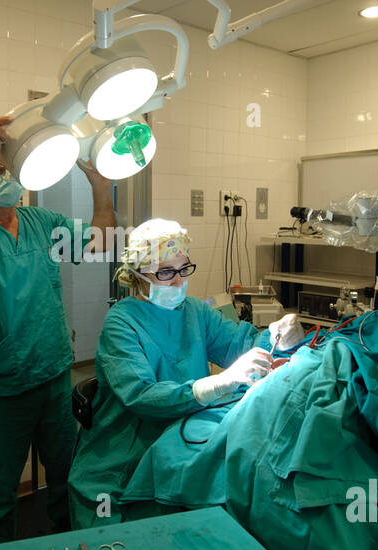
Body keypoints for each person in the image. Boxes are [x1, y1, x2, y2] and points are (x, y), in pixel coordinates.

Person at [0, 115, 117, 542]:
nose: (5, 175)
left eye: (5, 168)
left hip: (52, 375)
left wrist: (101, 185)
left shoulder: (41, 222)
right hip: (0, 387)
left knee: (66, 476)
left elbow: (101, 242)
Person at [68, 218, 306, 529]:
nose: (179, 282)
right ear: (137, 274)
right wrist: (218, 383)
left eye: (184, 269)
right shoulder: (121, 322)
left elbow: (241, 343)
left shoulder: (196, 312)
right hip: (127, 451)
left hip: (185, 433)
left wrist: (278, 335)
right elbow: (141, 396)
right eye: (165, 273)